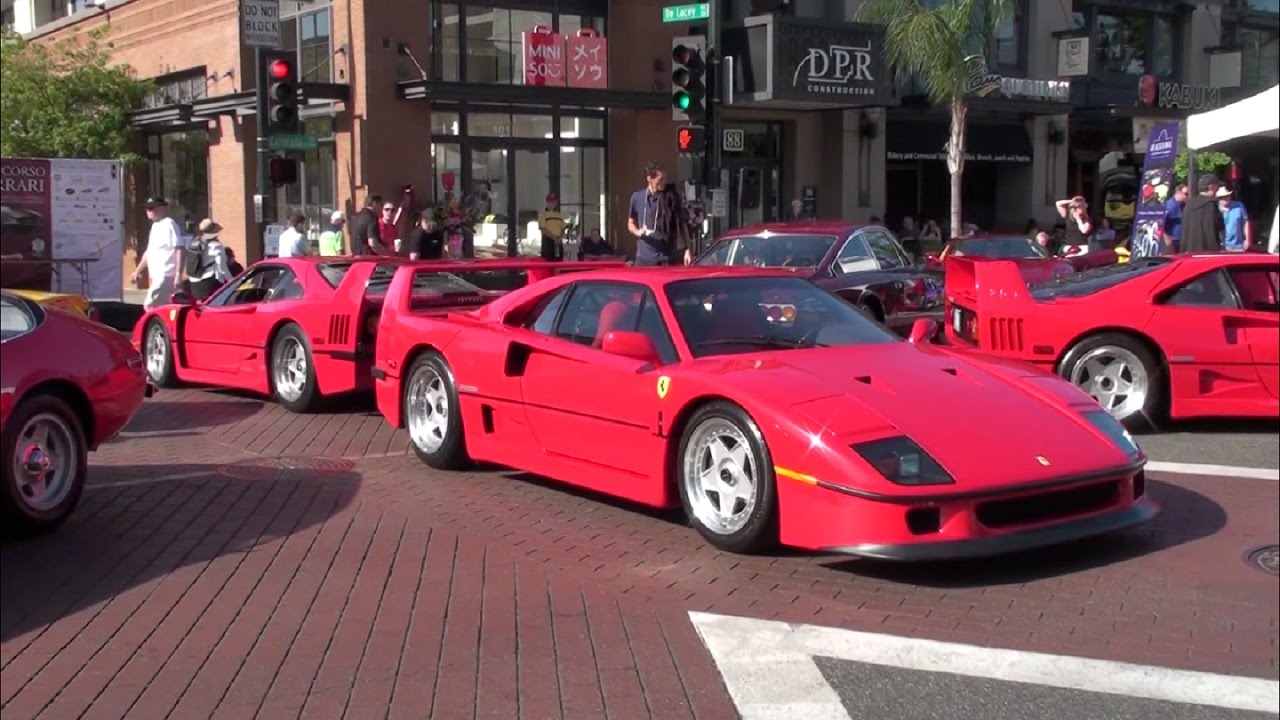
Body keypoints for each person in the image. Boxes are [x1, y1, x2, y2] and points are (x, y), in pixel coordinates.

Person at [628, 162, 691, 266]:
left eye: (665, 178)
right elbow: (630, 223)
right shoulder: (637, 198)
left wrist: (688, 250)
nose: (664, 182)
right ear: (649, 179)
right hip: (644, 257)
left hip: (666, 256)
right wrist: (638, 232)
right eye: (660, 179)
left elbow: (682, 224)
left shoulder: (670, 197)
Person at [131, 197, 182, 311]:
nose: (149, 212)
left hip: (167, 274)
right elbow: (149, 253)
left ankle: (152, 327)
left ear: (162, 208)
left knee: (150, 304)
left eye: (152, 209)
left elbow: (179, 249)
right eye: (147, 209)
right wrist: (137, 271)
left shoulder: (169, 224)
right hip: (157, 275)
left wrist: (178, 273)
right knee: (163, 308)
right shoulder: (155, 226)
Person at [184, 218, 233, 300]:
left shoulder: (194, 243)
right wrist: (232, 281)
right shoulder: (216, 246)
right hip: (209, 282)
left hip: (194, 284)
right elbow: (222, 269)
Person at [1181, 174, 1225, 253]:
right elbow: (1211, 231)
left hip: (1189, 253)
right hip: (1206, 254)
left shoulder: (1189, 204)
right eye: (1217, 187)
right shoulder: (1210, 205)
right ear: (1211, 187)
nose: (1217, 189)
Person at [1217, 187, 1253, 252]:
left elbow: (1245, 223)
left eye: (1227, 196)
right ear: (1218, 199)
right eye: (1222, 197)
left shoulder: (1239, 206)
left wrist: (1247, 239)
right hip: (1221, 246)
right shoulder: (1215, 210)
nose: (1226, 198)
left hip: (1238, 245)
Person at [538, 193, 566, 261]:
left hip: (558, 240)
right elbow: (543, 229)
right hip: (548, 240)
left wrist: (559, 238)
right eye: (550, 201)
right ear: (547, 202)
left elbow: (563, 228)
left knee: (558, 259)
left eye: (554, 201)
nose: (552, 203)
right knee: (548, 260)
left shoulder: (559, 215)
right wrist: (554, 238)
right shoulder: (543, 214)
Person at [1163, 184, 1188, 252]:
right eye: (1186, 194)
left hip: (1182, 239)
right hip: (1173, 240)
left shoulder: (1184, 205)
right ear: (1178, 193)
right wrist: (1166, 238)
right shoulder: (1170, 206)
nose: (1187, 196)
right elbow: (1161, 224)